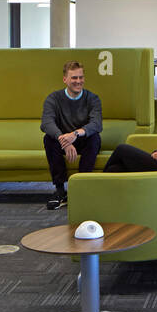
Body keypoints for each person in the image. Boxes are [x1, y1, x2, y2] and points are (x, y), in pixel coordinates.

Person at [40, 60, 103, 210]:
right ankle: (60, 191)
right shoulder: (53, 99)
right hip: (63, 141)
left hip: (82, 140)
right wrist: (65, 140)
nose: (78, 81)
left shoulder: (92, 98)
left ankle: (81, 187)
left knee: (94, 137)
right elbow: (46, 123)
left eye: (80, 77)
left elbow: (96, 124)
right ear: (65, 79)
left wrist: (75, 134)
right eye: (74, 78)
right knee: (49, 139)